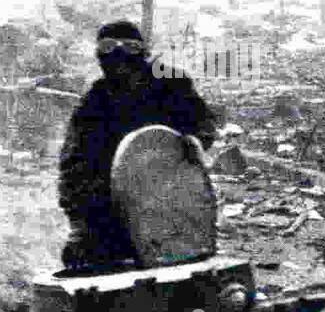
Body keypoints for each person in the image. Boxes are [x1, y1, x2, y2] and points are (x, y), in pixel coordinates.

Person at [57, 21, 216, 270]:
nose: (119, 54)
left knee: (186, 266)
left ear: (143, 51)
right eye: (109, 47)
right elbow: (73, 163)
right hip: (114, 201)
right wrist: (80, 222)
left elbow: (200, 121)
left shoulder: (171, 82)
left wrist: (194, 139)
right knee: (83, 261)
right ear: (99, 54)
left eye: (129, 47)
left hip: (171, 195)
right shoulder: (96, 99)